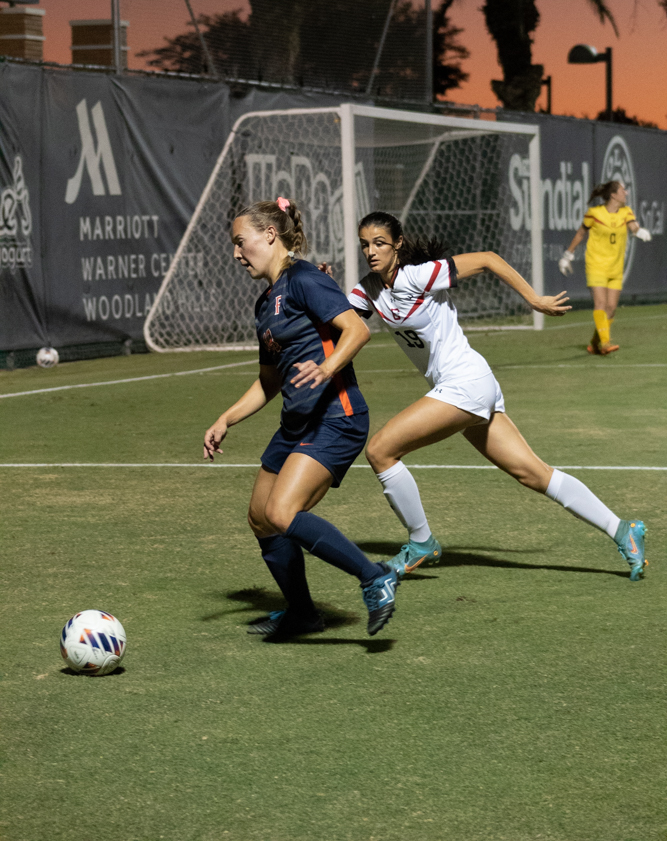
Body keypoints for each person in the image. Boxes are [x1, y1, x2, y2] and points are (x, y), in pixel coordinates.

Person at [347, 210, 647, 581]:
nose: (371, 251)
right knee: (534, 474)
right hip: (467, 386)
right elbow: (340, 319)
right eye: (365, 244)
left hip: (465, 383)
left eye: (379, 243)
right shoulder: (368, 289)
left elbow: (488, 259)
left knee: (380, 450)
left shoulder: (418, 275)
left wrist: (534, 300)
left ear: (398, 245)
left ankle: (422, 542)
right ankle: (623, 530)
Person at [203, 198, 399, 638]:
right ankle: (302, 614)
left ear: (270, 235)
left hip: (336, 417)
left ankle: (375, 577)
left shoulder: (307, 278)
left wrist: (328, 368)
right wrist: (226, 419)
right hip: (296, 423)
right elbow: (268, 383)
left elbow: (358, 330)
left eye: (241, 241)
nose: (236, 253)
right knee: (260, 516)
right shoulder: (264, 305)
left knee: (282, 511)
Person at [559, 180, 652, 355]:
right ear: (614, 195)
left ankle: (595, 342)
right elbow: (581, 233)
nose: (626, 193)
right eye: (623, 190)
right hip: (596, 264)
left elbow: (633, 226)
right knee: (601, 303)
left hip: (615, 267)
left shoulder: (626, 212)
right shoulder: (594, 213)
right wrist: (567, 256)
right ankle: (606, 343)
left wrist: (638, 231)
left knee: (611, 308)